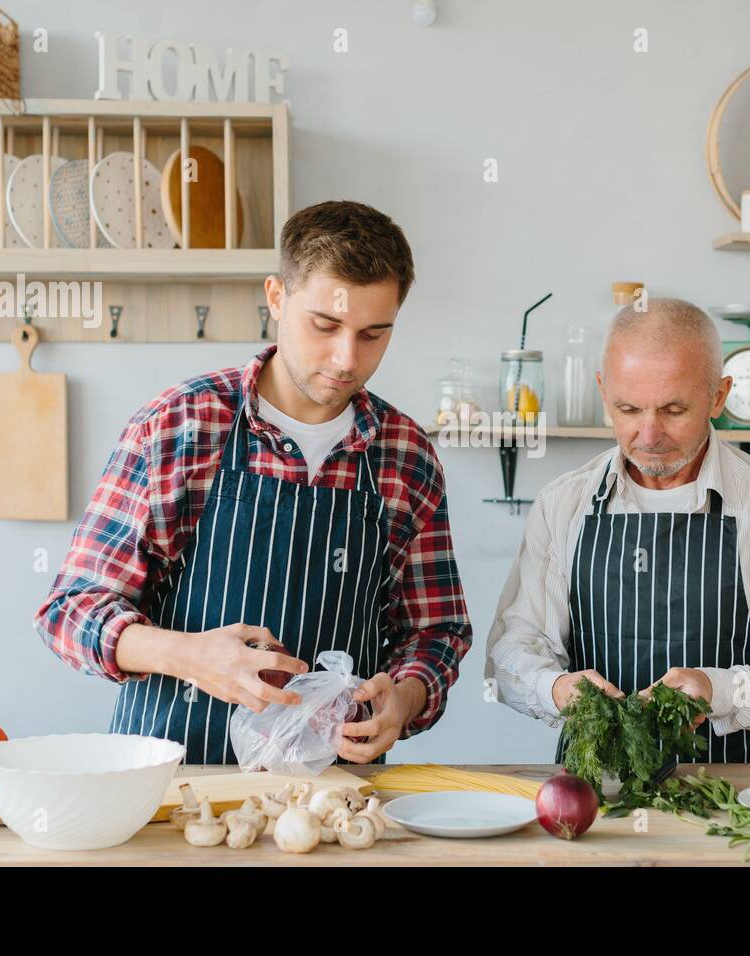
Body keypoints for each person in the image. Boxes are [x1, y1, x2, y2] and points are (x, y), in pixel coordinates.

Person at [35, 200, 472, 765]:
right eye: (326, 325)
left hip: (329, 799)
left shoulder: (405, 455)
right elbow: (70, 609)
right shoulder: (181, 426)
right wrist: (189, 655)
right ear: (276, 297)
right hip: (172, 782)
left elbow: (436, 631)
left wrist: (405, 700)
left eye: (373, 333)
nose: (346, 358)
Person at [485, 297, 750, 763]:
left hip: (737, 799)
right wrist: (553, 688)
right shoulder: (562, 505)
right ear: (603, 392)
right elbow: (509, 654)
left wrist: (718, 690)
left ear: (719, 396)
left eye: (674, 409)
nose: (649, 434)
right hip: (596, 793)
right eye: (629, 408)